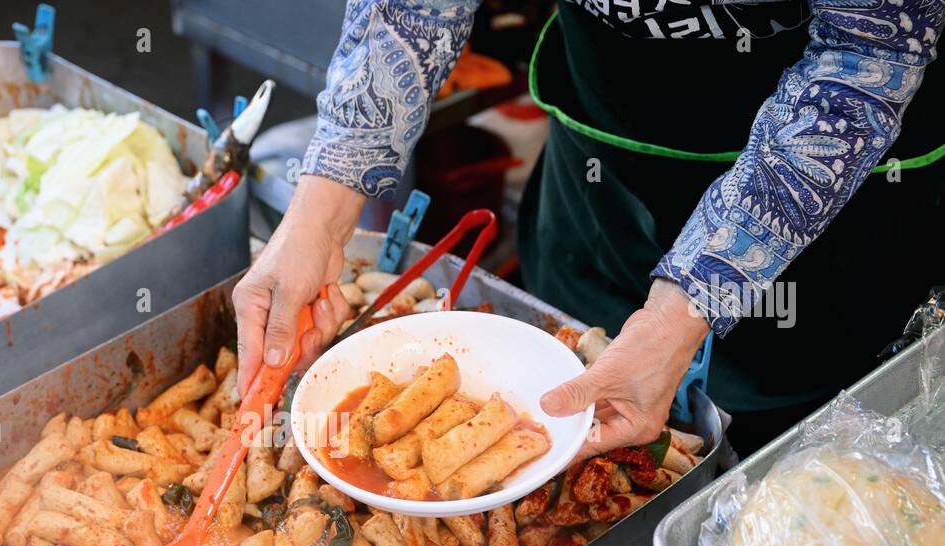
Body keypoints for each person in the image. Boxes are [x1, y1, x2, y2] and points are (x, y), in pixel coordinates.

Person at [234, 0, 943, 456]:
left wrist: (679, 313)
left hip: (827, 224)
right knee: (560, 406)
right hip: (605, 163)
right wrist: (320, 217)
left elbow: (864, 55)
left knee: (788, 480)